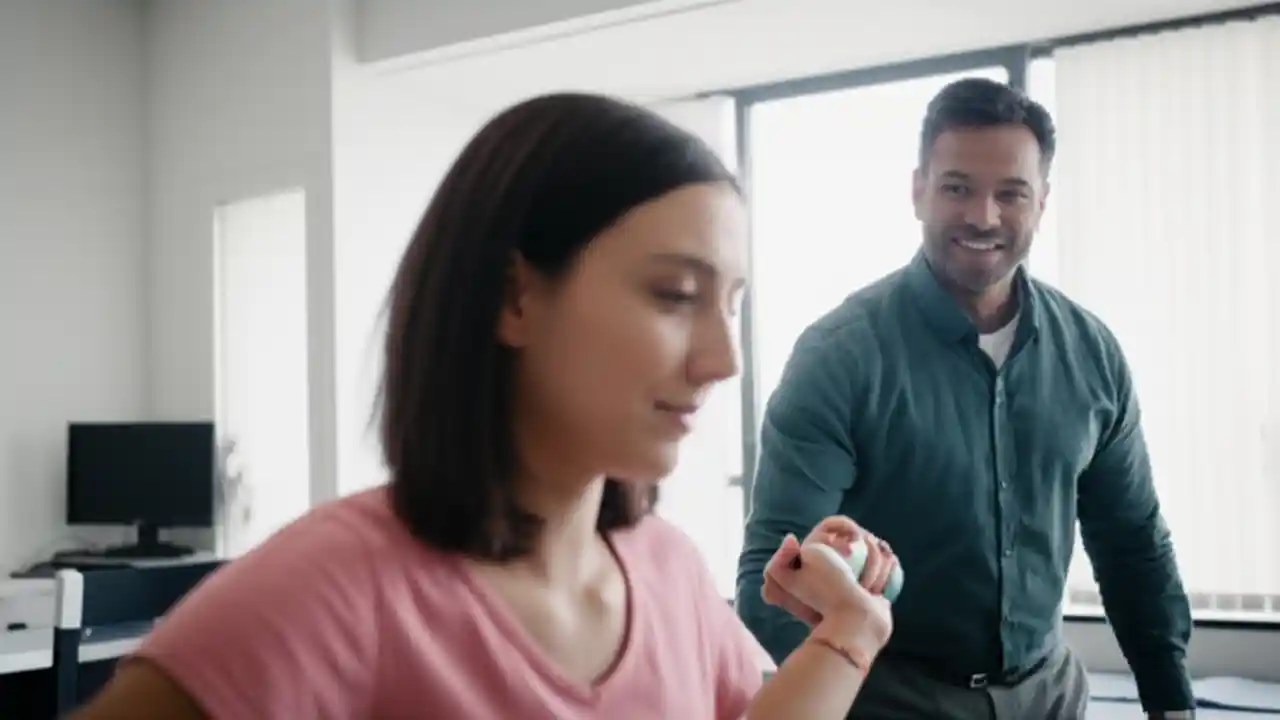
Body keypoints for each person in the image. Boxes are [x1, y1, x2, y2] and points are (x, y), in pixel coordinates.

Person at [74, 93, 902, 720]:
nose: (723, 360)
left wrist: (850, 629)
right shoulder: (325, 595)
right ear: (513, 298)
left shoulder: (667, 572)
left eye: (732, 305)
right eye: (675, 295)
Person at [736, 77, 1195, 720]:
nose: (984, 216)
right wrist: (837, 685)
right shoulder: (837, 357)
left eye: (1011, 193)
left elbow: (1133, 543)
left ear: (1041, 202)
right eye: (958, 188)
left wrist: (1172, 704)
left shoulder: (1092, 354)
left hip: (1051, 696)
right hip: (892, 700)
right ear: (918, 189)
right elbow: (771, 576)